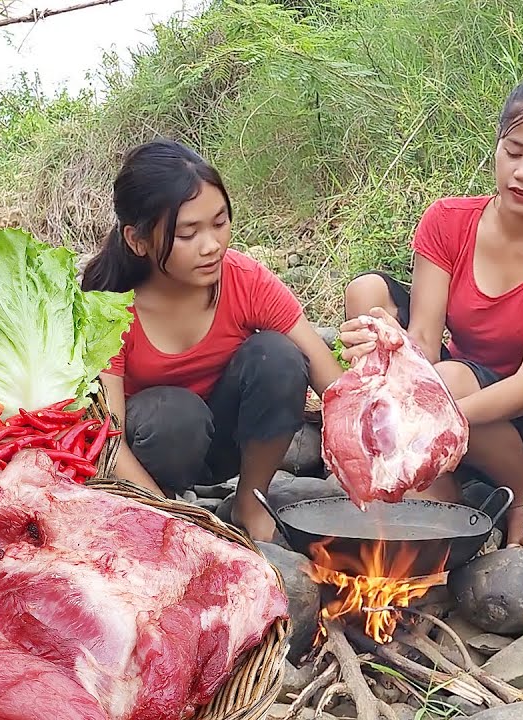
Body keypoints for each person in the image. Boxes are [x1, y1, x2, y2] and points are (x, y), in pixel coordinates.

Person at [338, 71, 523, 547]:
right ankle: (432, 483)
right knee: (368, 294)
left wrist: (435, 419)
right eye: (513, 153)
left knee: (447, 383)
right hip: (457, 385)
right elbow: (425, 341)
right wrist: (390, 346)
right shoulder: (449, 221)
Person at [82, 138, 346, 543]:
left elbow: (330, 380)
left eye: (219, 223)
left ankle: (250, 501)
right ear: (138, 241)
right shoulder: (110, 308)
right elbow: (108, 439)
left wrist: (390, 422)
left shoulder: (245, 280)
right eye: (188, 234)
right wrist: (172, 520)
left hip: (231, 443)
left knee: (279, 356)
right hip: (159, 447)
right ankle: (168, 507)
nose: (212, 246)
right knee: (175, 413)